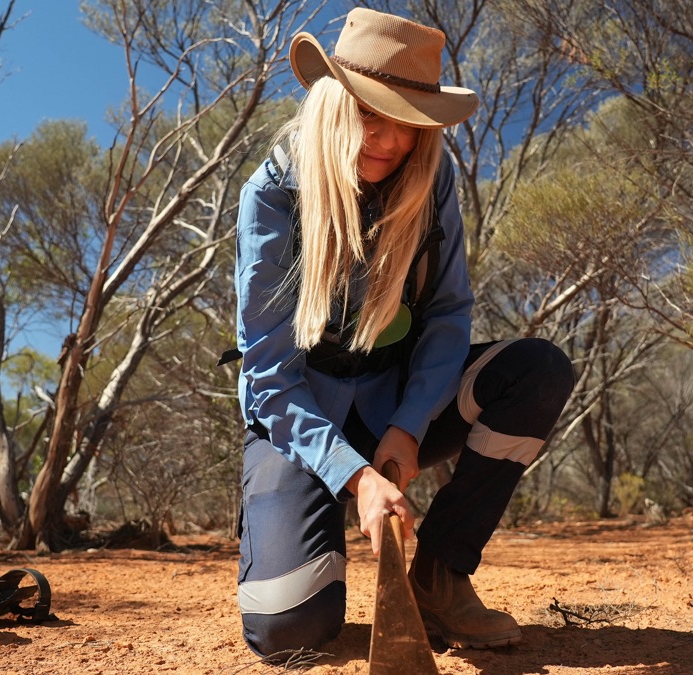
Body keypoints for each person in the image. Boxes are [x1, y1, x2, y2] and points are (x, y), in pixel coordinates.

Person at [232, 7, 574, 658]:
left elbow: (448, 313)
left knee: (537, 371)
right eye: (369, 114)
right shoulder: (272, 195)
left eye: (406, 124)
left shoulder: (432, 178)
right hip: (302, 416)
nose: (387, 141)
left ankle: (440, 575)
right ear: (334, 104)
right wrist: (358, 479)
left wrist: (409, 426)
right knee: (288, 629)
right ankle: (281, 511)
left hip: (397, 402)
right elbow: (269, 379)